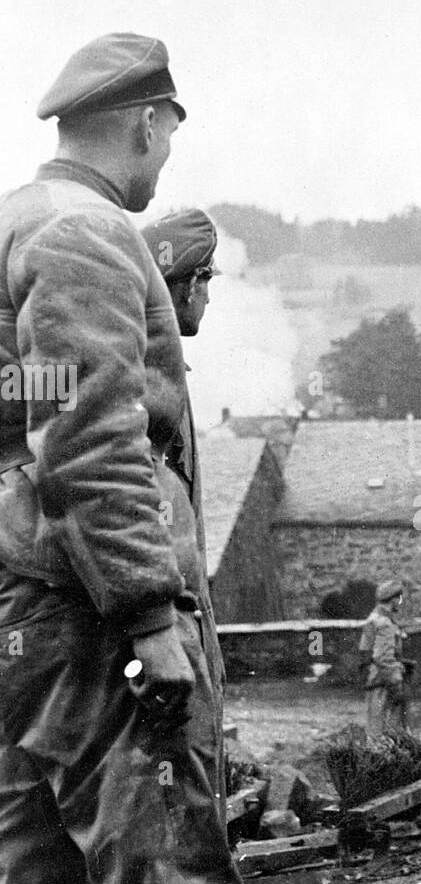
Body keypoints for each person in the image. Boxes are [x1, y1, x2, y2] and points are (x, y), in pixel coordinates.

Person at [0, 34, 261, 884]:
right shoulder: (90, 235)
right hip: (93, 614)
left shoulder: (14, 221)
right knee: (163, 881)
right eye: (167, 135)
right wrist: (152, 616)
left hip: (21, 611)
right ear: (149, 124)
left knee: (26, 878)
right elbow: (93, 439)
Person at [141, 209, 227, 813]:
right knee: (175, 800)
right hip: (161, 617)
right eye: (207, 281)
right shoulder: (146, 372)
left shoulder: (165, 367)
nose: (207, 297)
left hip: (175, 611)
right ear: (190, 283)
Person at [359, 580, 412, 739]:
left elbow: (365, 650)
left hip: (375, 679)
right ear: (393, 599)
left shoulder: (373, 618)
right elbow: (383, 658)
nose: (400, 603)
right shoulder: (384, 623)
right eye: (400, 599)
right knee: (389, 731)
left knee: (376, 726)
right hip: (385, 682)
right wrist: (397, 683)